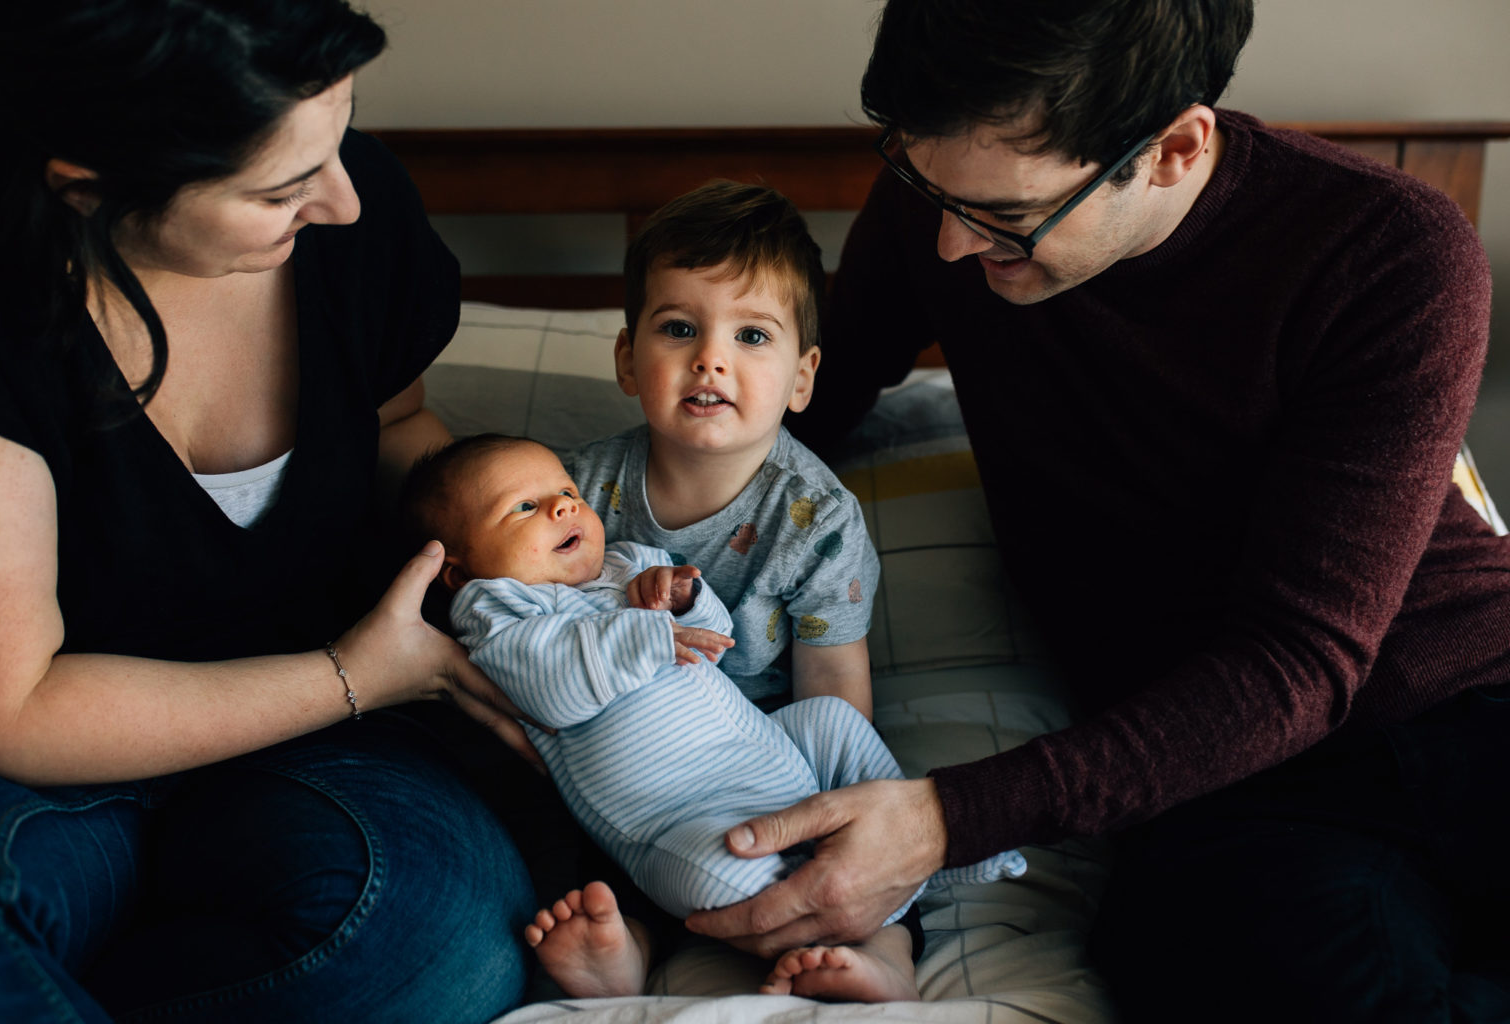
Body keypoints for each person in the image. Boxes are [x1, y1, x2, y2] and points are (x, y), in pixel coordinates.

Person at [687, 2, 1510, 1022]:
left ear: (1173, 149)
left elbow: (1299, 661)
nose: (949, 243)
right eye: (918, 178)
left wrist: (945, 820)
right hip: (1232, 786)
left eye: (1004, 218)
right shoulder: (939, 210)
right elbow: (797, 410)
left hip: (1468, 696)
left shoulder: (1386, 250)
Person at [0, 2, 539, 1020]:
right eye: (281, 188)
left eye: (343, 133)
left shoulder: (355, 226)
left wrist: (512, 546)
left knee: (438, 947)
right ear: (88, 187)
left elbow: (400, 430)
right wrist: (357, 675)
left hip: (332, 749)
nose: (344, 202)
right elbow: (13, 707)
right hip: (47, 771)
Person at [399, 434, 1025, 1001]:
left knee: (830, 719)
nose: (564, 508)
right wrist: (645, 630)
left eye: (565, 491)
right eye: (524, 508)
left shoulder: (629, 564)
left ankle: (915, 855)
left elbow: (714, 639)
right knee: (722, 870)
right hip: (676, 819)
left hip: (764, 755)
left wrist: (686, 598)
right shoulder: (498, 613)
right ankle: (638, 964)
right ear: (458, 571)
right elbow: (552, 687)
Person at [569, 180, 881, 718]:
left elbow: (833, 700)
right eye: (680, 328)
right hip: (606, 734)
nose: (710, 358)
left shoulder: (820, 525)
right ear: (627, 361)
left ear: (802, 379)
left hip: (757, 757)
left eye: (752, 336)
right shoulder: (576, 490)